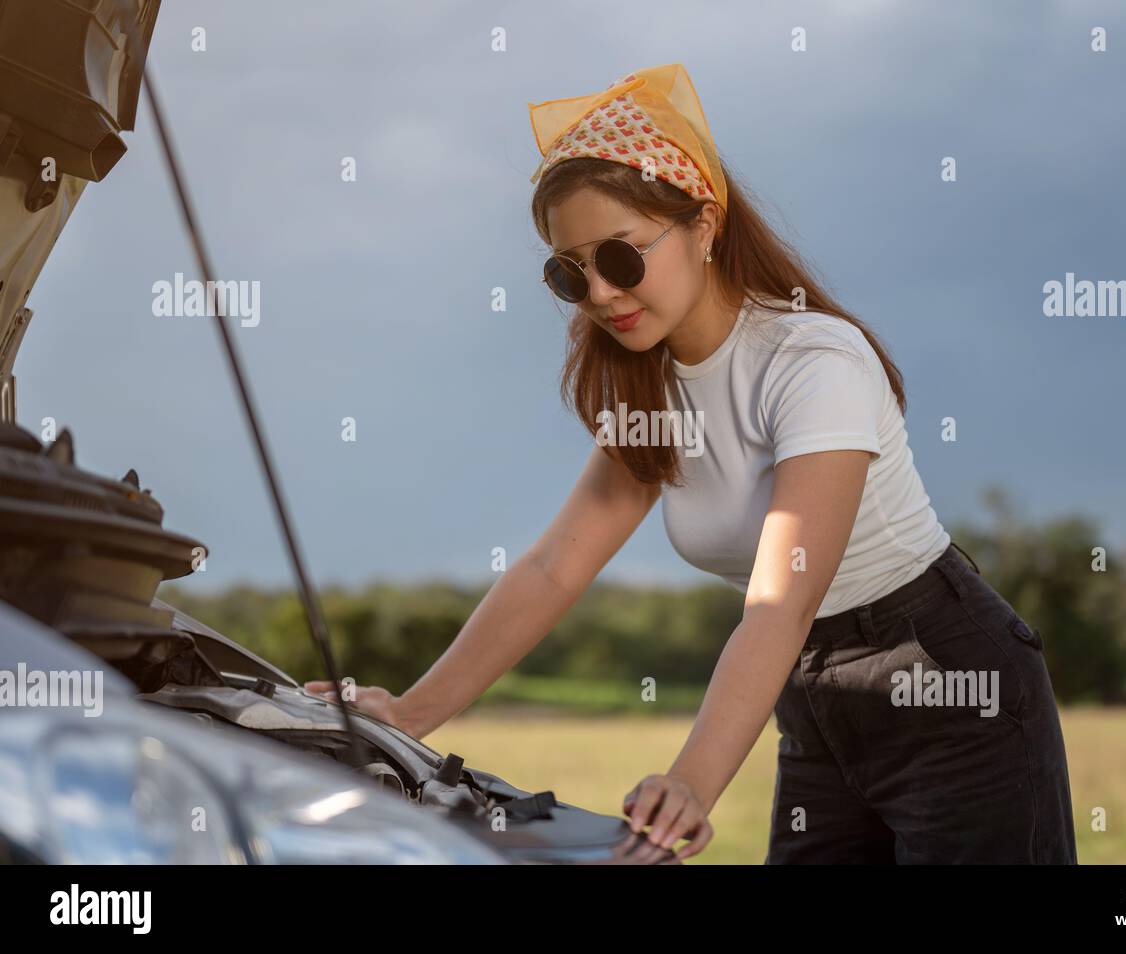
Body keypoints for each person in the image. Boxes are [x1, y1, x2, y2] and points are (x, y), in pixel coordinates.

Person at [307, 63, 1077, 864]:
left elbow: (779, 600)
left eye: (623, 257)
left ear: (705, 225)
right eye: (571, 272)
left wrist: (690, 784)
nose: (601, 293)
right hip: (812, 697)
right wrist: (414, 710)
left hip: (947, 686)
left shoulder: (814, 361)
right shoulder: (649, 383)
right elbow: (552, 568)